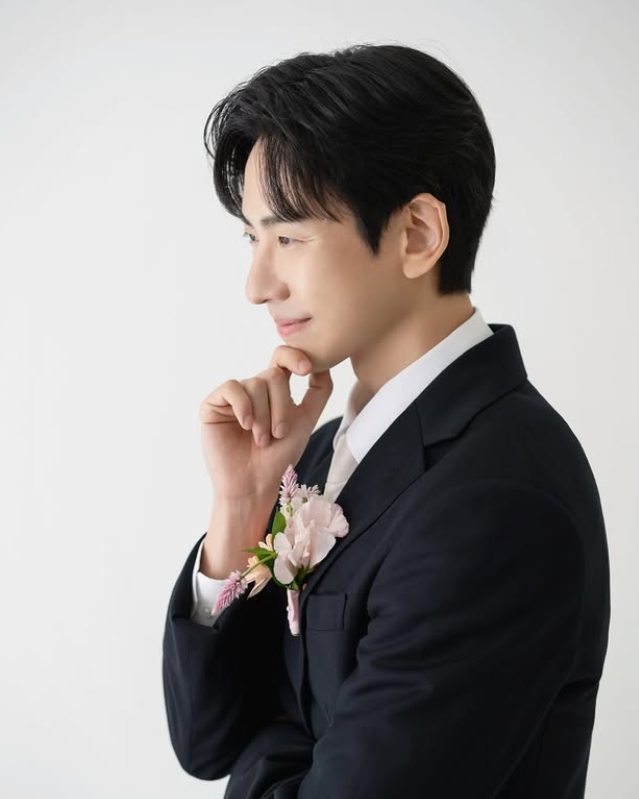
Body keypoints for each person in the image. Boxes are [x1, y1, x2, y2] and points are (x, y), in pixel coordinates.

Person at [161, 42, 610, 798]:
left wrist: (274, 741)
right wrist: (240, 506)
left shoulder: (496, 500)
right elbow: (206, 739)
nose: (256, 284)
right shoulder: (320, 453)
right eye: (252, 238)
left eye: (288, 237)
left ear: (417, 235)